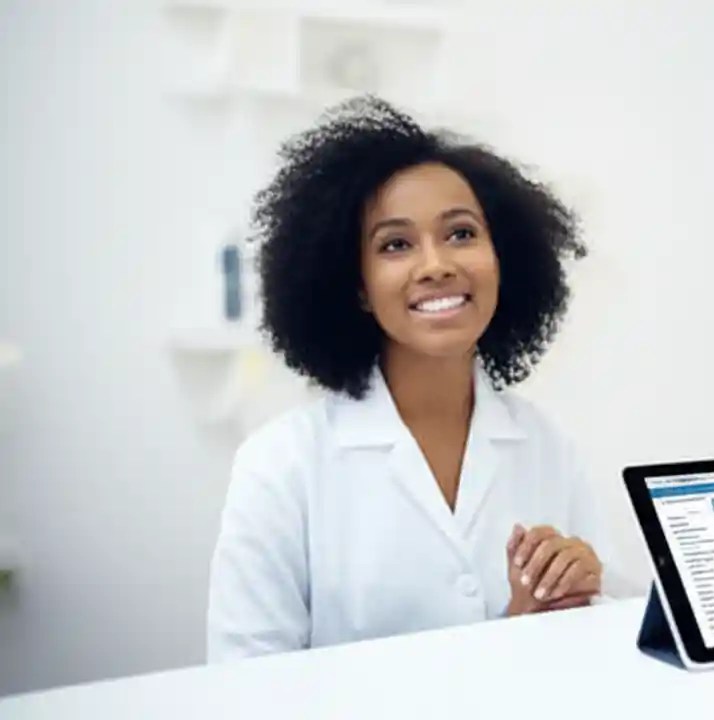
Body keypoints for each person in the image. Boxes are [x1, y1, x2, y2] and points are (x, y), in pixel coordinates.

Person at [207, 97, 615, 661]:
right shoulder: (281, 464)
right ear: (356, 286)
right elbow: (243, 687)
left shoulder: (548, 445)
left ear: (505, 258)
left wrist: (566, 608)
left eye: (462, 234)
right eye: (396, 244)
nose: (436, 265)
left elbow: (599, 649)